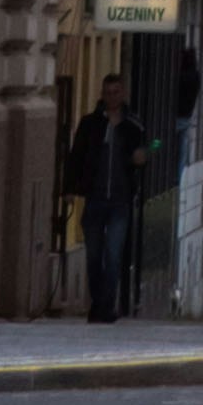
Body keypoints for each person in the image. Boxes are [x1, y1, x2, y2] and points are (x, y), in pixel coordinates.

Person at [69, 87, 144, 323]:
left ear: (122, 95)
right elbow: (76, 155)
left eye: (116, 92)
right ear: (102, 94)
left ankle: (106, 306)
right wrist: (70, 188)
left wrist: (146, 153)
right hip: (95, 197)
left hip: (120, 201)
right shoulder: (90, 124)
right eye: (108, 92)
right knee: (94, 255)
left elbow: (154, 143)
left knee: (113, 255)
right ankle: (97, 302)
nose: (112, 97)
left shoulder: (133, 125)